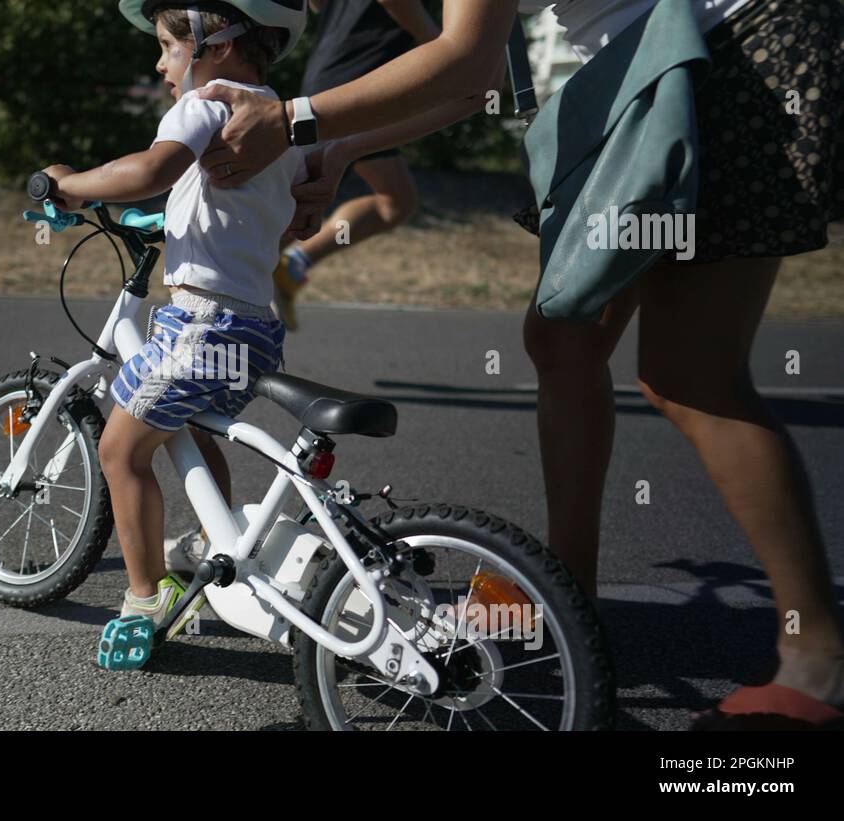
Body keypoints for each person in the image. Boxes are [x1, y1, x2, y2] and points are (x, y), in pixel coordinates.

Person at [190, 0, 844, 728]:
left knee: (693, 374)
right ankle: (568, 594)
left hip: (733, 43)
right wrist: (342, 149)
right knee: (563, 338)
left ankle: (815, 654)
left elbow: (465, 61)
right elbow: (479, 83)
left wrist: (288, 121)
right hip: (644, 60)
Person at [38, 0, 306, 633]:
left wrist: (68, 184)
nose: (161, 64)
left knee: (120, 451)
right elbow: (236, 204)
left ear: (216, 41)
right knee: (192, 428)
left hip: (203, 323)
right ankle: (219, 540)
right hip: (256, 331)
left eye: (166, 46)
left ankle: (144, 595)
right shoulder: (273, 121)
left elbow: (152, 169)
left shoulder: (207, 101)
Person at [273, 0, 440, 330]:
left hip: (347, 75)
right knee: (301, 203)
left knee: (396, 201)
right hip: (358, 82)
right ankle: (224, 283)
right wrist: (439, 44)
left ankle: (287, 268)